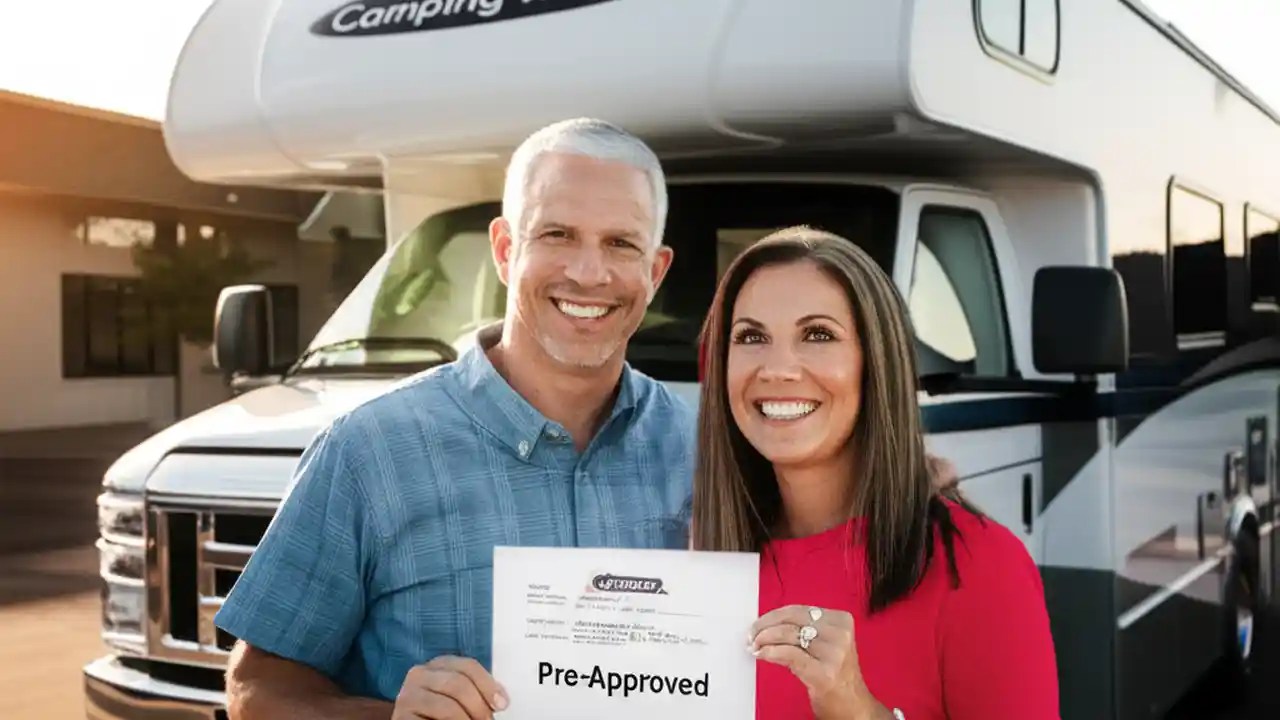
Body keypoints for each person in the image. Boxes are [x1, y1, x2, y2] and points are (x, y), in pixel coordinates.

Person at [214, 117, 694, 719]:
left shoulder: (701, 451)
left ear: (655, 271)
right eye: (557, 234)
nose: (588, 273)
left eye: (621, 243)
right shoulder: (370, 450)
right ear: (504, 250)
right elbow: (256, 688)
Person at [691, 226, 1060, 719]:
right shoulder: (698, 558)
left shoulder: (978, 566)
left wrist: (858, 710)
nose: (777, 368)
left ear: (876, 363)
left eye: (818, 335)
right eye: (751, 337)